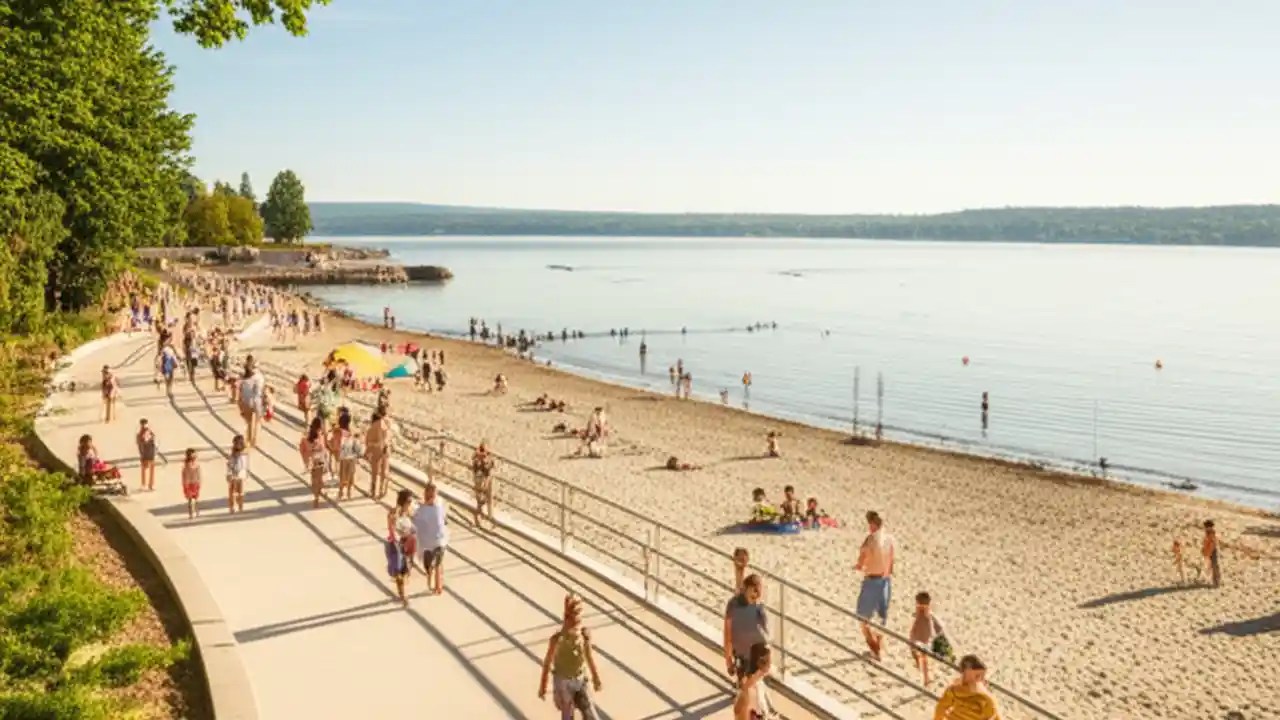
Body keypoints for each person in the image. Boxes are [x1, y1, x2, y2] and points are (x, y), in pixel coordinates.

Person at [538, 594, 603, 720]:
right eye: (571, 618)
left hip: (580, 680)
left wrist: (596, 677)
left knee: (590, 713)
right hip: (563, 682)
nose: (575, 625)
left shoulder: (584, 636)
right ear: (566, 618)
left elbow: (589, 656)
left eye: (578, 620)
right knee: (568, 715)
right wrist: (543, 686)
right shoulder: (557, 640)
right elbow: (547, 663)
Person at [723, 574, 773, 715]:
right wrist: (728, 659)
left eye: (759, 592)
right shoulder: (733, 605)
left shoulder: (759, 609)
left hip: (757, 655)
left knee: (749, 690)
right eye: (754, 591)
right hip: (743, 657)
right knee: (748, 694)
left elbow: (766, 638)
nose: (757, 595)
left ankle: (762, 713)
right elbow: (727, 634)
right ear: (746, 589)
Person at [854, 510, 895, 661]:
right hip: (885, 581)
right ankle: (880, 648)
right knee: (881, 617)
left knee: (862, 617)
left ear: (872, 524)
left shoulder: (870, 540)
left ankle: (874, 648)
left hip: (871, 580)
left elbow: (861, 561)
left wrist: (859, 566)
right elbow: (891, 563)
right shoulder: (890, 539)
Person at [933, 655, 1001, 720]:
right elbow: (941, 708)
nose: (980, 680)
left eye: (983, 677)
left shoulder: (985, 699)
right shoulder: (953, 691)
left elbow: (994, 717)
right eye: (977, 676)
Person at [412, 482, 449, 596]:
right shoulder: (424, 509)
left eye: (432, 495)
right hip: (431, 541)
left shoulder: (435, 507)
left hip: (436, 540)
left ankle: (438, 586)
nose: (430, 498)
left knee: (437, 562)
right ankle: (434, 581)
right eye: (428, 495)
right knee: (431, 565)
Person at [910, 591, 951, 685]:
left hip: (920, 631)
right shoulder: (924, 610)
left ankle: (924, 675)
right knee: (923, 655)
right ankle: (926, 677)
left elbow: (919, 618)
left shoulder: (920, 609)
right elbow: (927, 617)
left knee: (917, 650)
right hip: (923, 632)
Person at [386, 489, 415, 606]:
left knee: (406, 571)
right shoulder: (394, 513)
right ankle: (403, 596)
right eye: (409, 501)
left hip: (407, 543)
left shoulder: (408, 513)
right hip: (396, 544)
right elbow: (391, 526)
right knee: (399, 572)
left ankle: (402, 593)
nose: (410, 504)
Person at [734, 642, 771, 720]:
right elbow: (738, 711)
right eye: (768, 661)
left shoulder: (759, 682)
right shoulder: (750, 687)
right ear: (759, 663)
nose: (770, 664)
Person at [299, 418, 328, 509]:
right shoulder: (320, 436)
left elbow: (302, 448)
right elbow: (323, 448)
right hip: (320, 459)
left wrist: (306, 460)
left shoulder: (307, 437)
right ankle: (319, 494)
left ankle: (316, 496)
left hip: (312, 460)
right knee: (320, 478)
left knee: (315, 479)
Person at [331, 412, 360, 501]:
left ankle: (341, 492)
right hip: (352, 456)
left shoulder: (337, 431)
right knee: (351, 475)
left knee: (342, 476)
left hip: (343, 456)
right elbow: (357, 441)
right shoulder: (351, 432)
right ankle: (349, 493)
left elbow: (334, 443)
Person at [365, 408, 392, 499]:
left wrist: (367, 451)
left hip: (375, 450)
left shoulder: (372, 427)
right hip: (385, 449)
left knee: (374, 472)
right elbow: (386, 438)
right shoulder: (386, 424)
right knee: (384, 471)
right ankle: (382, 490)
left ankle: (373, 491)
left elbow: (368, 442)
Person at [238, 360, 264, 448]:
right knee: (257, 422)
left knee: (249, 423)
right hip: (256, 401)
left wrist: (240, 404)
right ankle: (255, 440)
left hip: (246, 401)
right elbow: (259, 391)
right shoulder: (258, 377)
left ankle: (249, 439)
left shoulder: (243, 379)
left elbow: (240, 392)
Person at [471, 441, 496, 528]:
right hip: (481, 481)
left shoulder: (485, 459)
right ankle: (479, 519)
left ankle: (489, 519)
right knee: (481, 501)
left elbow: (490, 470)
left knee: (487, 500)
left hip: (485, 481)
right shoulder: (477, 459)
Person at [225, 434, 248, 514]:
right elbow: (229, 464)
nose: (238, 445)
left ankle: (240, 506)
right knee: (232, 492)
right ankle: (232, 507)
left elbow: (244, 465)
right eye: (236, 443)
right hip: (233, 474)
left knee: (240, 492)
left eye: (239, 443)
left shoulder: (244, 454)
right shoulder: (232, 455)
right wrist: (229, 473)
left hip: (241, 474)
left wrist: (245, 474)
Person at [136, 419, 160, 491]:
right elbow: (139, 444)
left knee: (152, 469)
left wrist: (155, 450)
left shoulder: (150, 432)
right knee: (144, 469)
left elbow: (155, 441)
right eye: (143, 424)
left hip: (151, 452)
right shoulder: (139, 434)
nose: (144, 425)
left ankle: (151, 484)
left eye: (145, 424)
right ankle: (143, 484)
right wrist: (141, 452)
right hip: (144, 453)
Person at [181, 448, 202, 520]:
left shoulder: (196, 464)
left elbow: (199, 474)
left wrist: (199, 481)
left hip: (195, 483)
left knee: (195, 499)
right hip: (189, 484)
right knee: (191, 500)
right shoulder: (186, 465)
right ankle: (191, 513)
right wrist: (184, 484)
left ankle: (196, 511)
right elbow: (184, 475)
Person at [1202, 520, 1221, 587]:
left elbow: (1213, 544)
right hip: (1210, 551)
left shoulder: (1212, 533)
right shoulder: (1208, 532)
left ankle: (1217, 583)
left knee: (1215, 566)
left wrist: (1208, 552)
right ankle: (1215, 582)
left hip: (1213, 551)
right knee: (1212, 567)